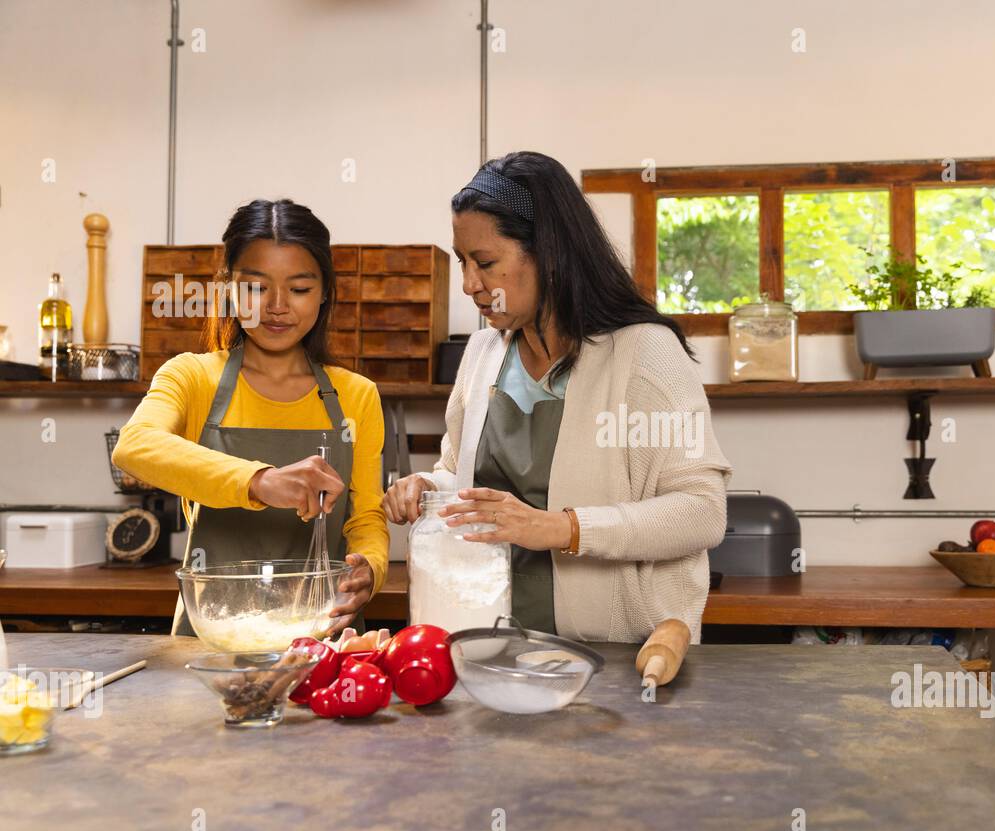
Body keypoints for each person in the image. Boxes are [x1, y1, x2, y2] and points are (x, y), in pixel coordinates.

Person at [384, 151, 732, 643]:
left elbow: (702, 512)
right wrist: (426, 487)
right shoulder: (484, 354)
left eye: (485, 263)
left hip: (615, 658)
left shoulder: (645, 354)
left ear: (549, 254)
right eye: (463, 261)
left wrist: (562, 529)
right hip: (491, 645)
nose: (469, 285)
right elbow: (460, 478)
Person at [113, 199, 387, 637]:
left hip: (323, 634)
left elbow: (366, 517)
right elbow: (135, 446)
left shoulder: (356, 395)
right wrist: (261, 481)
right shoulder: (192, 376)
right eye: (256, 288)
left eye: (299, 289)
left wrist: (370, 570)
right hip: (212, 635)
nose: (278, 306)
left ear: (325, 292)